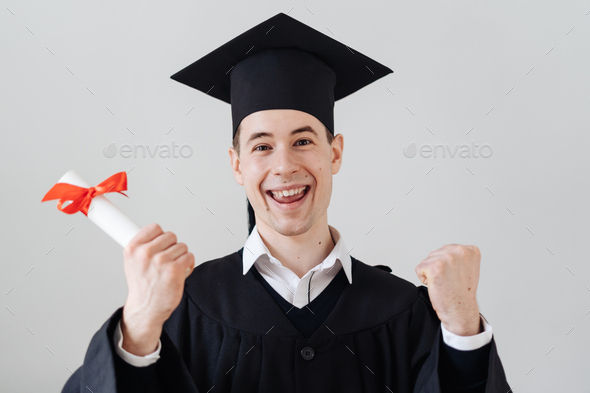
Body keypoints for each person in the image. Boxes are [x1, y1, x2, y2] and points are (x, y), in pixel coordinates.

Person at [61, 12, 510, 393]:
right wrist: (138, 327)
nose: (284, 166)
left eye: (302, 140)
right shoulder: (183, 307)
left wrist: (463, 329)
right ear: (237, 166)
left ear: (334, 153)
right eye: (261, 147)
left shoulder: (405, 310)